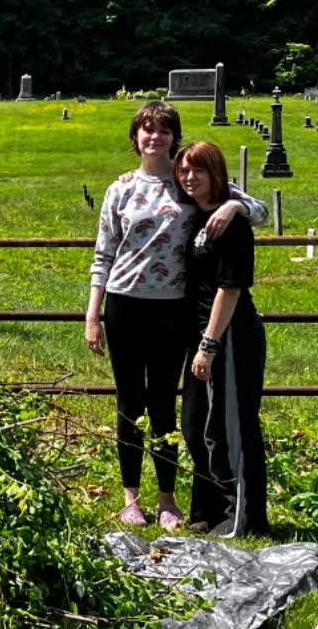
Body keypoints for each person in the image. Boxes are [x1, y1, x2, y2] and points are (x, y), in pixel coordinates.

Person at [85, 101, 267, 530]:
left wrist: (234, 207)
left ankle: (168, 499)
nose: (155, 137)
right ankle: (131, 497)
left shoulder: (186, 182)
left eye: (164, 130)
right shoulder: (120, 190)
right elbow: (103, 254)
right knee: (129, 402)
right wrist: (93, 314)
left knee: (165, 403)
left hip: (173, 310)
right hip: (124, 304)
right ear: (136, 139)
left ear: (174, 138)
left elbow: (257, 209)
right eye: (147, 130)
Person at [175, 141, 267, 538]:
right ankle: (208, 509)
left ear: (217, 173)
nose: (190, 177)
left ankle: (243, 517)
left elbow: (229, 290)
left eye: (199, 170)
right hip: (200, 336)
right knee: (195, 426)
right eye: (184, 171)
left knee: (231, 427)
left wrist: (209, 346)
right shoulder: (197, 215)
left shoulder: (232, 224)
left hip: (229, 338)